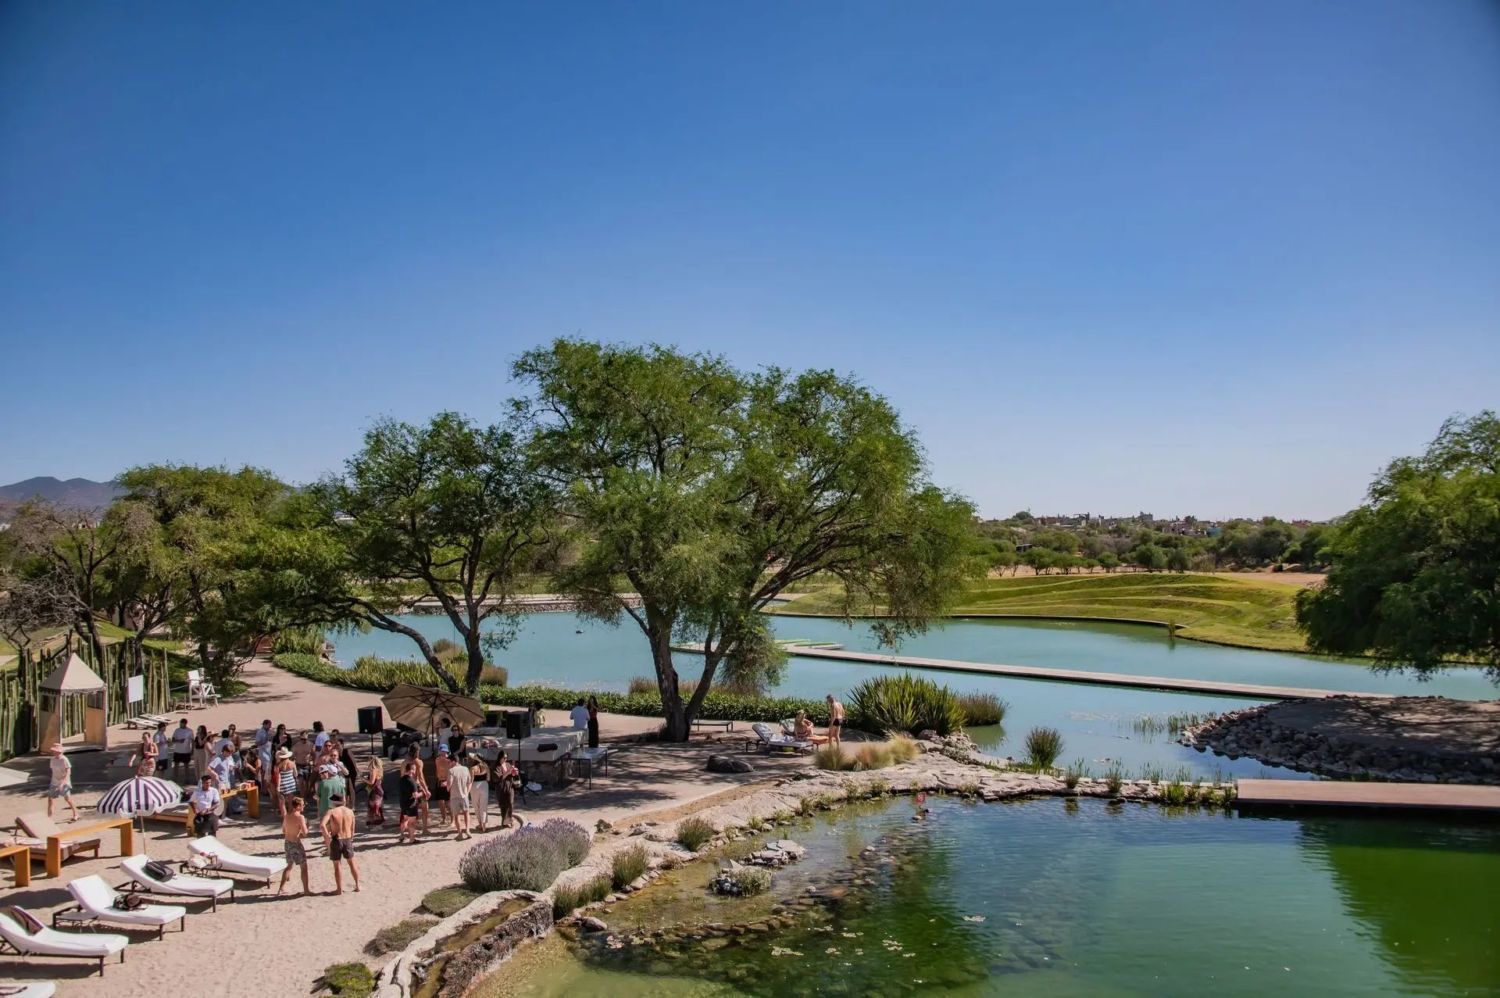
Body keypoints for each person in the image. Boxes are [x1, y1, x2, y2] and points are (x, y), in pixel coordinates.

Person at [320, 794, 361, 894]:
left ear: (333, 802)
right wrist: (351, 837)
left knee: (337, 865)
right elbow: (353, 828)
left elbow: (322, 825)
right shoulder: (350, 811)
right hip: (347, 839)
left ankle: (339, 889)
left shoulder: (332, 811)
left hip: (336, 839)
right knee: (352, 863)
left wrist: (327, 836)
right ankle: (358, 885)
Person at [278, 796, 311, 895]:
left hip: (287, 843)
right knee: (304, 867)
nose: (304, 806)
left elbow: (284, 830)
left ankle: (281, 889)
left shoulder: (287, 816)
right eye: (302, 805)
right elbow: (305, 833)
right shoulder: (300, 817)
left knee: (289, 866)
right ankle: (306, 890)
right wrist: (307, 826)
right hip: (296, 844)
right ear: (298, 806)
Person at [46, 744, 77, 821]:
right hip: (54, 782)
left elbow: (68, 772)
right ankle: (49, 817)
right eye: (55, 751)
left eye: (57, 751)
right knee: (50, 799)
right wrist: (54, 781)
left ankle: (75, 813)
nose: (56, 753)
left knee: (67, 799)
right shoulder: (52, 759)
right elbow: (53, 771)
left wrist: (63, 783)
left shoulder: (64, 759)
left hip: (64, 782)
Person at [447, 751, 474, 840]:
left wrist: (446, 786)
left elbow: (449, 785)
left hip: (454, 796)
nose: (448, 763)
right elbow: (470, 782)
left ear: (453, 761)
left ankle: (460, 833)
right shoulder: (466, 769)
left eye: (449, 762)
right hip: (464, 795)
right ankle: (467, 830)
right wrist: (467, 792)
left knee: (456, 815)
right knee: (466, 813)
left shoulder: (451, 771)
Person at [491, 749, 519, 830]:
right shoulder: (496, 766)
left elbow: (511, 775)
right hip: (501, 788)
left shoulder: (508, 764)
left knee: (510, 803)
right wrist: (508, 772)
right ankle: (505, 822)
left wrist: (514, 772)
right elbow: (499, 777)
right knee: (503, 805)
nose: (505, 759)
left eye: (506, 758)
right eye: (504, 758)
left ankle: (510, 820)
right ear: (500, 757)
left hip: (509, 786)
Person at [397, 761, 422, 845]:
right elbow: (415, 795)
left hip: (402, 803)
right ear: (410, 770)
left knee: (405, 819)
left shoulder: (401, 779)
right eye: (414, 769)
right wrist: (422, 793)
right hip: (411, 804)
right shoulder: (412, 781)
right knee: (412, 822)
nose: (415, 771)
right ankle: (412, 839)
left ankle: (401, 835)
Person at [469, 750, 491, 832]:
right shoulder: (486, 767)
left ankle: (480, 824)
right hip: (484, 785)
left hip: (475, 786)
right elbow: (488, 779)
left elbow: (471, 780)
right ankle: (484, 826)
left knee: (476, 805)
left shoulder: (472, 768)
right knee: (483, 806)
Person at [432, 745, 454, 827]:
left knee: (449, 802)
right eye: (442, 751)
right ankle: (444, 818)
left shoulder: (450, 760)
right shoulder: (437, 760)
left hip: (447, 781)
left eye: (444, 751)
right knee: (440, 802)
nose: (443, 753)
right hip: (439, 781)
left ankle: (452, 820)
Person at [274, 747, 299, 816]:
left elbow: (278, 777)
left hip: (282, 784)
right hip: (291, 784)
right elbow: (296, 774)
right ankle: (290, 817)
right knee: (291, 802)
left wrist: (278, 787)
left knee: (282, 803)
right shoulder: (292, 763)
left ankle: (284, 818)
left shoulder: (278, 765)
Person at [364, 756, 385, 826]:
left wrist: (363, 779)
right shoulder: (379, 770)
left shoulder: (373, 770)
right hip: (378, 790)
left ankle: (374, 824)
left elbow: (371, 782)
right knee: (377, 807)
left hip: (374, 792)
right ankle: (377, 823)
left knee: (373, 808)